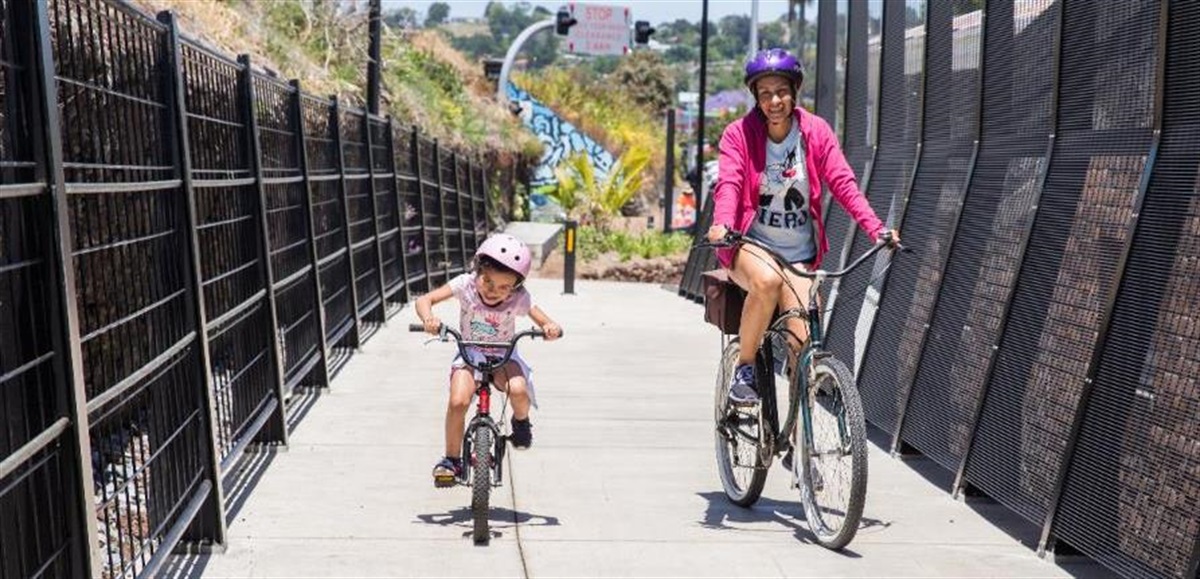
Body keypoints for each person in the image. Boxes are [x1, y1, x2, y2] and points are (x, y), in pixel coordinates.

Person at [706, 48, 899, 405]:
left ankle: (800, 428)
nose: (774, 101)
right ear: (756, 97)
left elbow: (843, 183)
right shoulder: (738, 134)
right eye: (765, 93)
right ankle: (745, 369)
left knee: (804, 343)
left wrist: (876, 229)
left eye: (781, 91)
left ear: (794, 91)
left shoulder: (815, 131)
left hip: (799, 255)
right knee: (766, 281)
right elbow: (729, 184)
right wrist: (722, 225)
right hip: (750, 246)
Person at [414, 233, 563, 487]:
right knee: (458, 401)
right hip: (470, 353)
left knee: (518, 389)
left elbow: (543, 319)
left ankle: (521, 422)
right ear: (477, 270)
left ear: (516, 286)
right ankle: (451, 460)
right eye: (488, 281)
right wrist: (429, 318)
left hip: (503, 354)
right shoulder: (465, 285)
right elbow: (424, 300)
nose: (494, 291)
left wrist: (550, 327)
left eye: (505, 287)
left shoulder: (519, 298)